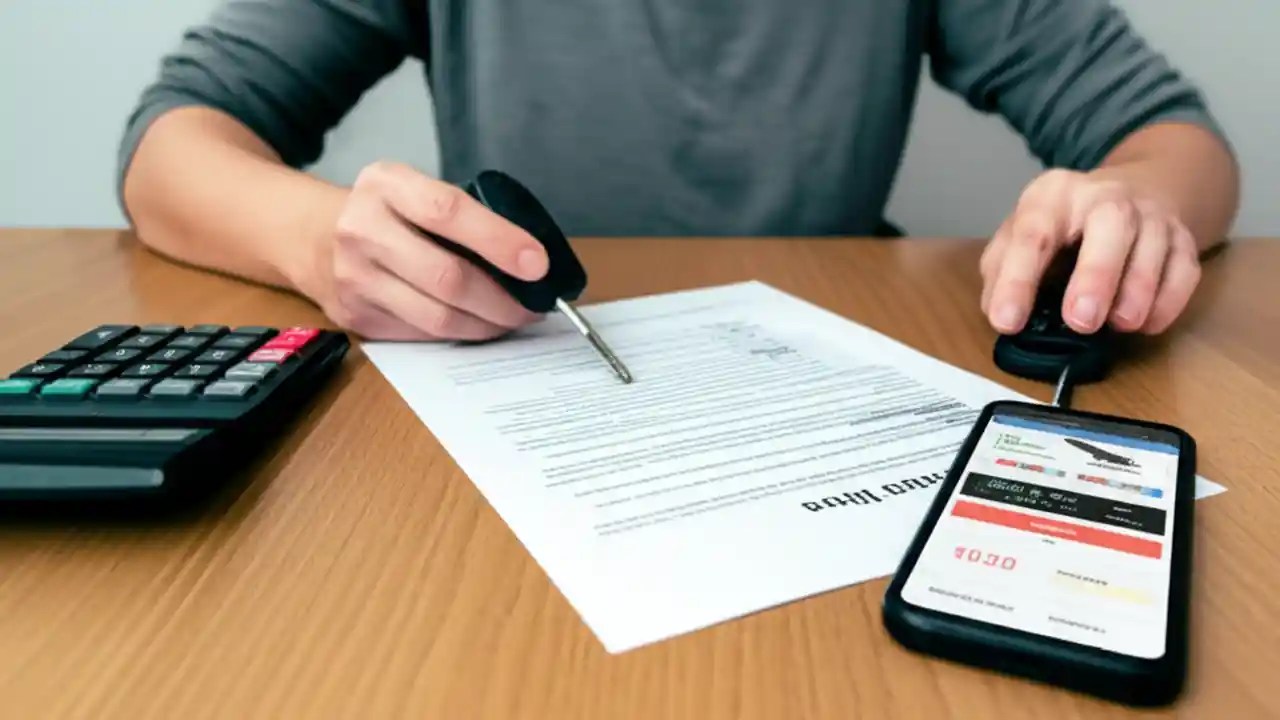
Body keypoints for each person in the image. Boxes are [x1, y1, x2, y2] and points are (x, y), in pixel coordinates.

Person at [118, 0, 1239, 343]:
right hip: (500, 367)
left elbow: (1171, 137)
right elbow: (174, 139)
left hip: (822, 374)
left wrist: (1131, 203)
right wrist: (320, 240)